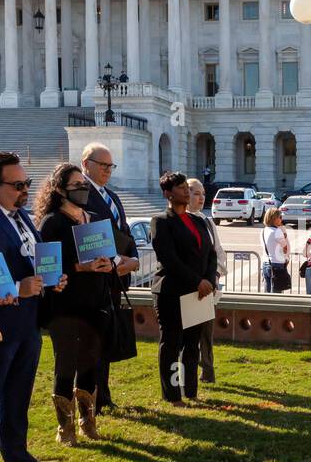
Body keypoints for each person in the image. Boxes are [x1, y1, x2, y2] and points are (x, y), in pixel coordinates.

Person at [0, 152, 66, 462]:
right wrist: (16, 287)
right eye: (18, 185)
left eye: (27, 183)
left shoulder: (20, 215)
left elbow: (30, 255)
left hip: (27, 318)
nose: (25, 190)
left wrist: (51, 277)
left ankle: (15, 449)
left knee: (19, 390)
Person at [36, 164, 116, 443]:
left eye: (84, 184)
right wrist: (79, 267)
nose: (82, 189)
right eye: (76, 185)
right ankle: (65, 429)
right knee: (66, 364)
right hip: (65, 305)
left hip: (96, 301)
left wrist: (108, 263)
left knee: (90, 363)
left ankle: (88, 422)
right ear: (59, 189)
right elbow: (46, 268)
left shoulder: (92, 218)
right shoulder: (52, 222)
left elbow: (108, 254)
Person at [80, 142, 137, 415]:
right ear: (86, 164)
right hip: (95, 281)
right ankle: (93, 398)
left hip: (115, 280)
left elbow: (125, 232)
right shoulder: (81, 196)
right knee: (94, 343)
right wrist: (113, 262)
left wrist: (133, 260)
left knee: (107, 341)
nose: (107, 170)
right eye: (102, 165)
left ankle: (103, 394)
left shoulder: (112, 197)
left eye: (110, 166)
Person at [150, 171, 217, 405]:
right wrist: (197, 281)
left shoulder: (198, 220)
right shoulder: (161, 222)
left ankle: (191, 392)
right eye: (180, 188)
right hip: (172, 292)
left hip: (199, 293)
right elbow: (169, 259)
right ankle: (172, 394)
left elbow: (211, 254)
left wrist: (208, 281)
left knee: (192, 344)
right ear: (168, 194)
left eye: (186, 187)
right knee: (172, 343)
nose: (186, 192)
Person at [187, 177, 226, 383]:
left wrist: (215, 276)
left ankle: (208, 370)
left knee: (206, 332)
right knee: (188, 336)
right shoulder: (178, 221)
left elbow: (218, 253)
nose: (201, 198)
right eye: (196, 193)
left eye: (203, 194)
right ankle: (187, 373)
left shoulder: (207, 221)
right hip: (188, 287)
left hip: (209, 286)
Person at [260, 207, 291, 292]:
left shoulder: (264, 230)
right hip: (277, 264)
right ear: (274, 218)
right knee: (276, 294)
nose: (281, 219)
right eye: (280, 217)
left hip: (266, 263)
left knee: (267, 291)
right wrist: (285, 233)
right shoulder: (277, 231)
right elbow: (286, 249)